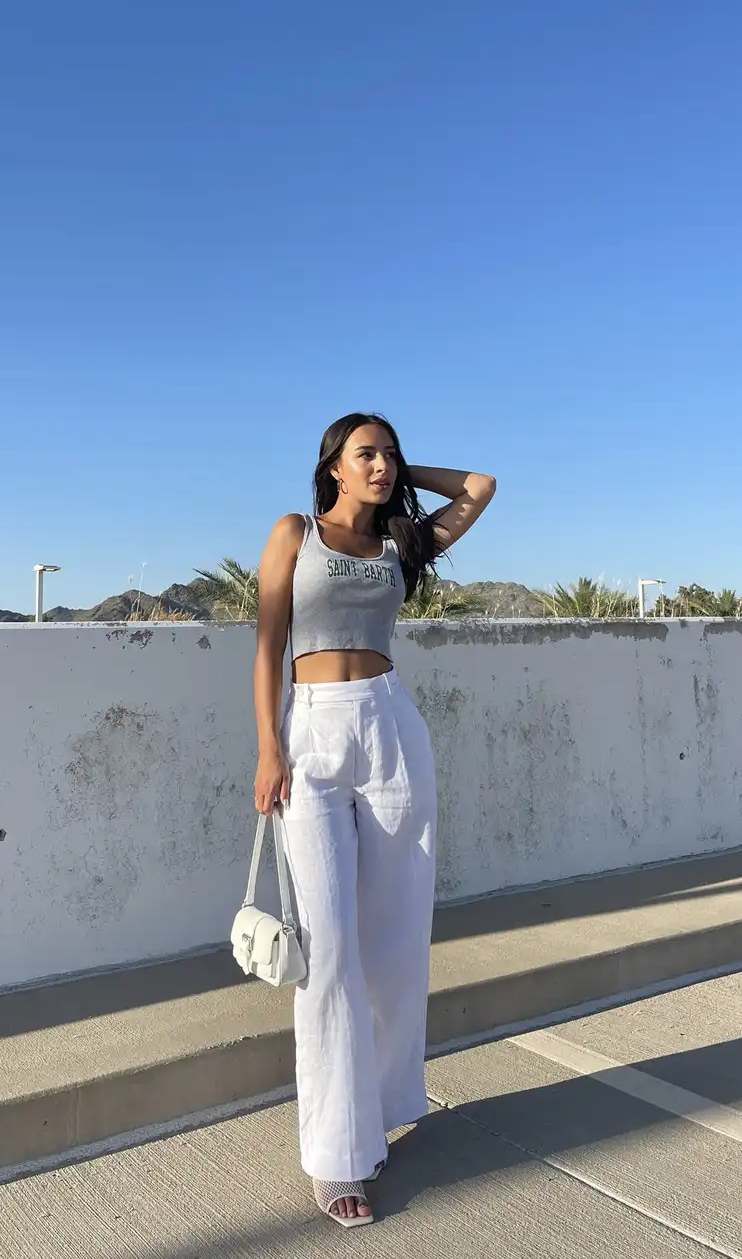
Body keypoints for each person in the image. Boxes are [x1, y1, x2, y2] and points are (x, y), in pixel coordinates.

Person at [253, 411, 496, 1228]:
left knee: (396, 938)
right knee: (327, 952)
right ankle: (335, 1155)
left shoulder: (401, 543)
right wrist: (268, 749)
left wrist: (396, 476)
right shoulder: (296, 533)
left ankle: (383, 1105)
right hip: (312, 731)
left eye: (389, 454)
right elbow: (267, 644)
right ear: (331, 467)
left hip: (392, 726)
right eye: (368, 454)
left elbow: (479, 488)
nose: (384, 465)